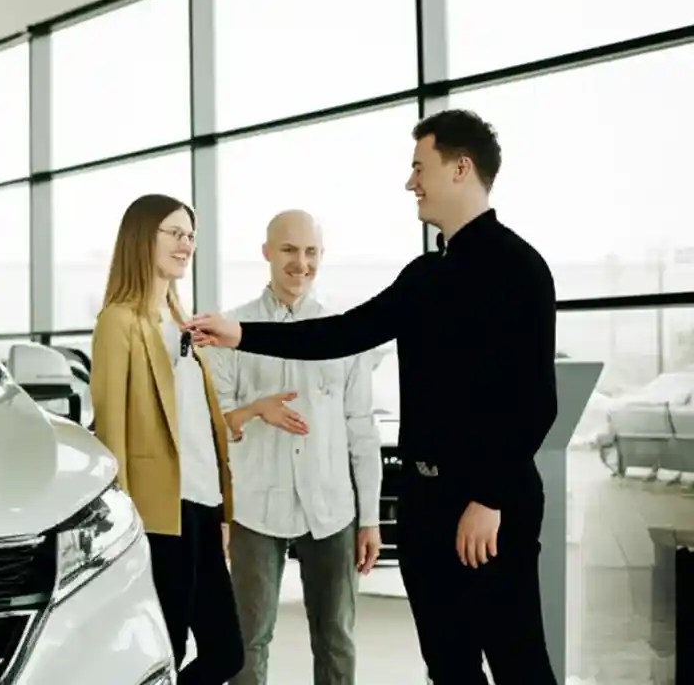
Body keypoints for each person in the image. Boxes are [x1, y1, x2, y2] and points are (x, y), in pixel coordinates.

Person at [186, 109, 558, 685]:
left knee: (520, 666)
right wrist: (241, 334)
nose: (411, 182)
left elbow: (535, 402)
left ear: (460, 168)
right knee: (450, 667)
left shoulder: (521, 269)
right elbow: (343, 333)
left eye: (420, 167)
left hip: (489, 506)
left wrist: (489, 498)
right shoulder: (426, 274)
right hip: (427, 505)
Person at [205, 209, 382, 685]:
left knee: (336, 639)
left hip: (331, 507)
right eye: (288, 250)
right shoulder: (231, 328)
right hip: (255, 509)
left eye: (310, 252)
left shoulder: (344, 331)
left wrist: (369, 518)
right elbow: (214, 425)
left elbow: (361, 429)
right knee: (248, 642)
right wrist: (255, 409)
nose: (300, 263)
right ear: (266, 252)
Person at [89, 193, 247, 684]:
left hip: (202, 503)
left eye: (190, 235)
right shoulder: (119, 321)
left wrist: (222, 511)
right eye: (175, 233)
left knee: (226, 652)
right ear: (142, 238)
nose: (186, 244)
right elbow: (110, 427)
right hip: (158, 512)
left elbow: (201, 422)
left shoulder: (184, 322)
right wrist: (121, 522)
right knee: (169, 648)